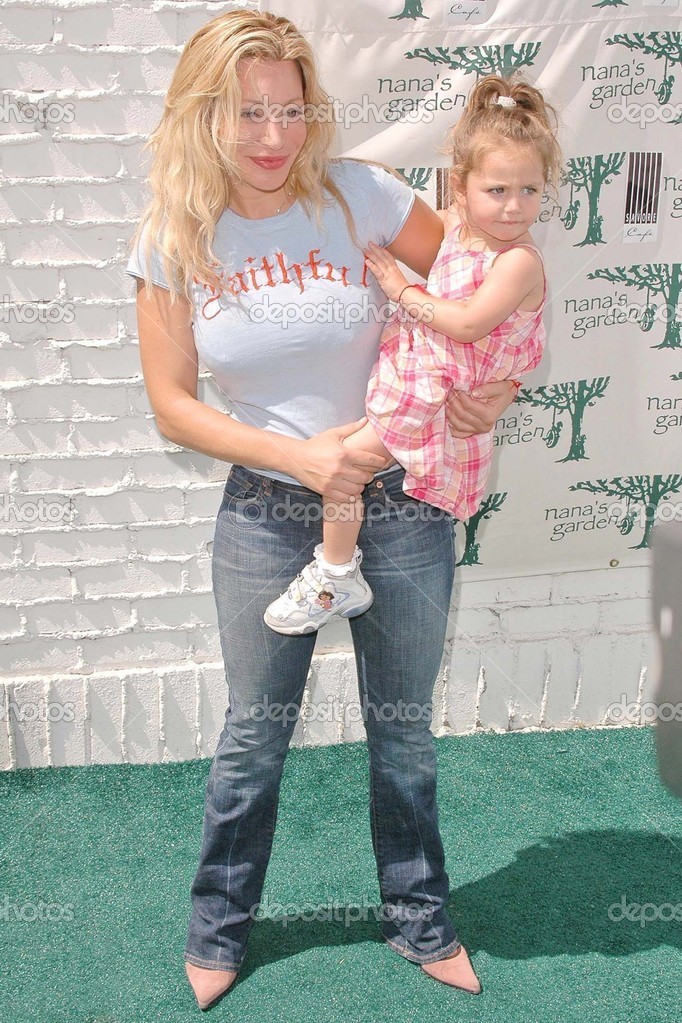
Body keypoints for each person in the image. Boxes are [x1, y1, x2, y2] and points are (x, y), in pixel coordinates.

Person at [125, 9, 519, 1012]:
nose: (273, 136)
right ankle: (217, 929)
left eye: (290, 110)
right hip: (267, 510)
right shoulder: (176, 236)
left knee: (403, 731)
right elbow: (173, 403)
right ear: (203, 115)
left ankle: (422, 923)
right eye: (248, 112)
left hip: (402, 502)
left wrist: (490, 391)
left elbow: (481, 288)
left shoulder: (361, 193)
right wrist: (300, 459)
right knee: (255, 732)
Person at [264, 74, 561, 637]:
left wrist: (402, 291)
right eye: (497, 190)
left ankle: (334, 573)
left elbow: (470, 325)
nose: (513, 207)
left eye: (530, 191)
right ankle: (338, 569)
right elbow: (394, 191)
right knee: (347, 462)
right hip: (415, 377)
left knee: (344, 461)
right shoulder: (456, 231)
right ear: (460, 186)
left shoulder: (518, 261)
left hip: (436, 390)